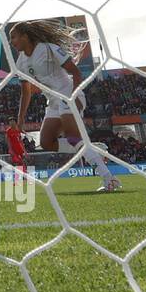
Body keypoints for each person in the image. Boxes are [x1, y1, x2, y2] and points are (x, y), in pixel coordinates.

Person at [10, 19, 119, 193]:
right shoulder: (20, 62)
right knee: (46, 142)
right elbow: (26, 91)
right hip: (53, 102)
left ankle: (109, 179)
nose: (12, 42)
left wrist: (74, 95)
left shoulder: (48, 49)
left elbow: (75, 72)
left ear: (25, 36)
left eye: (14, 37)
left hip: (68, 94)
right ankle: (92, 149)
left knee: (72, 136)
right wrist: (20, 118)